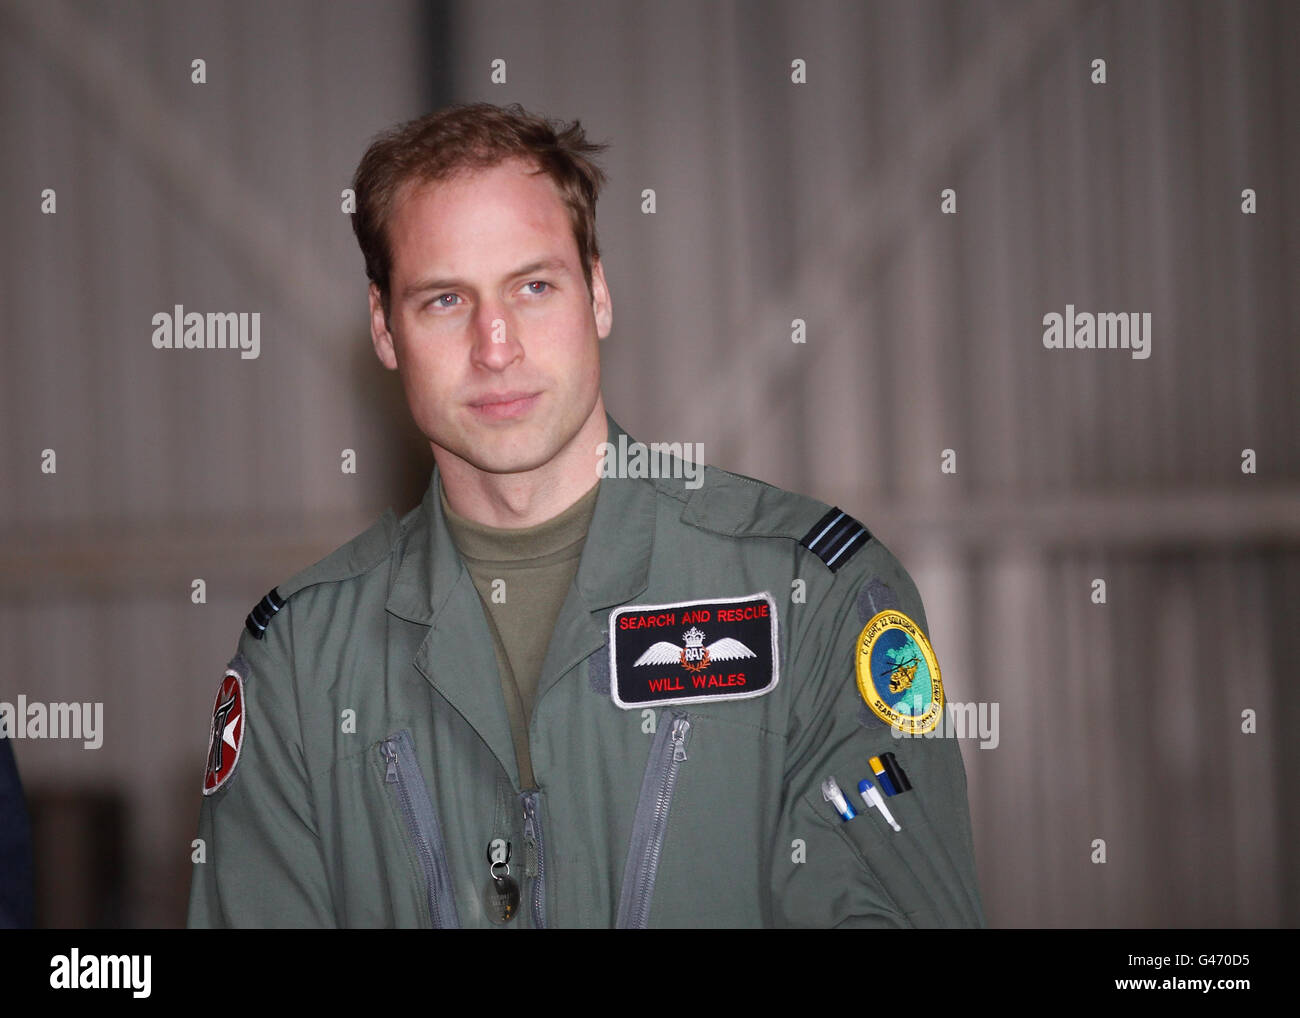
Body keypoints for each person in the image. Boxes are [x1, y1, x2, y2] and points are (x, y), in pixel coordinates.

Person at [186, 102, 985, 928]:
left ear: (597, 294)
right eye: (444, 300)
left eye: (534, 286)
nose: (496, 345)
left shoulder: (811, 597)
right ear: (385, 329)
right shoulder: (299, 662)